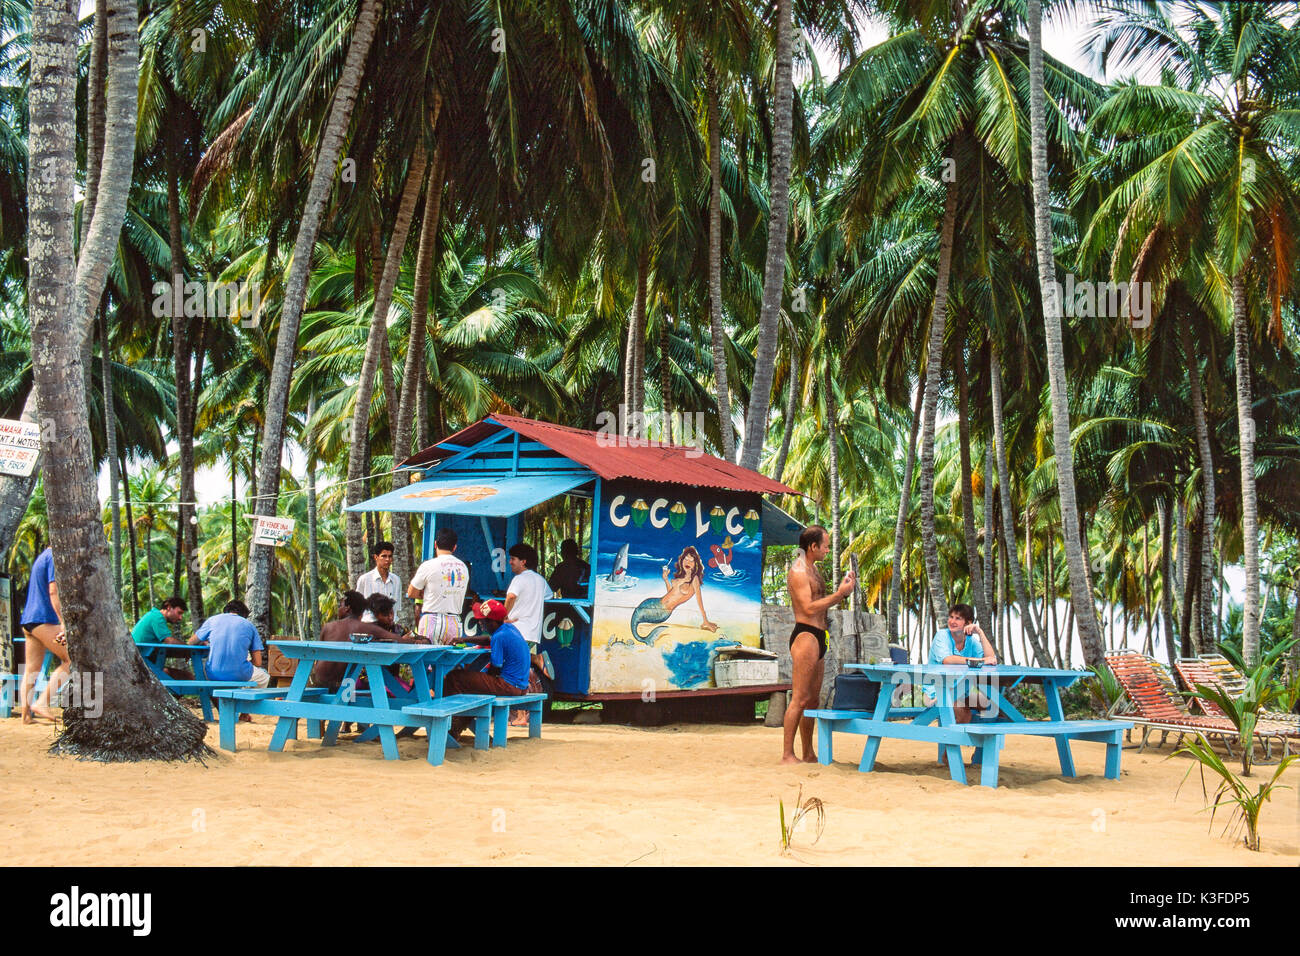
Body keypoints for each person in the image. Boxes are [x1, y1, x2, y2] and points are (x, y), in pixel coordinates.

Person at [782, 526, 855, 765]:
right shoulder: (798, 571)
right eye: (824, 546)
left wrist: (842, 590)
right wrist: (840, 594)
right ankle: (787, 754)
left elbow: (820, 602)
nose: (827, 550)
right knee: (800, 698)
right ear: (812, 547)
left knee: (813, 700)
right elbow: (808, 608)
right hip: (805, 635)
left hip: (820, 635)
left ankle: (808, 752)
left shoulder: (814, 570)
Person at [442, 599, 529, 739]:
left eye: (483, 621)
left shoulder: (499, 637)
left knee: (455, 677)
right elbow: (488, 640)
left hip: (509, 685)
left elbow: (496, 667)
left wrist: (482, 679)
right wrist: (464, 640)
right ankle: (457, 724)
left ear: (492, 622)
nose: (481, 624)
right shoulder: (508, 629)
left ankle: (449, 722)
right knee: (472, 684)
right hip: (521, 685)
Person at [313, 591, 424, 689]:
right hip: (345, 682)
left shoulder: (328, 627)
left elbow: (318, 657)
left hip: (320, 680)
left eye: (340, 605)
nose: (338, 608)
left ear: (347, 608)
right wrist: (415, 641)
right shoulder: (366, 628)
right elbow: (399, 640)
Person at [17, 546, 70, 723]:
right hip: (43, 619)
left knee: (31, 669)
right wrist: (62, 621)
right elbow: (53, 591)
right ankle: (42, 703)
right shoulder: (55, 557)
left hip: (29, 620)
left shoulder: (42, 556)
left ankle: (25, 715)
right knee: (72, 660)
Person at [626, 546, 717, 646]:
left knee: (636, 621)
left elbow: (699, 600)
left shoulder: (694, 579)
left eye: (691, 560)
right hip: (653, 604)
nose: (687, 562)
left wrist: (705, 621)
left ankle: (646, 639)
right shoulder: (681, 577)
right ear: (682, 561)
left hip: (661, 612)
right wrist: (665, 579)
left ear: (695, 565)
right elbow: (671, 593)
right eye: (686, 559)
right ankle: (644, 638)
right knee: (635, 621)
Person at [504, 542, 552, 724]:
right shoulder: (540, 580)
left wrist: (503, 616)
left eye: (513, 559)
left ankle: (521, 715)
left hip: (517, 631)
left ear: (523, 562)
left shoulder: (519, 579)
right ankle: (534, 658)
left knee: (514, 673)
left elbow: (511, 597)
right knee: (523, 672)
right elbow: (550, 596)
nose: (510, 562)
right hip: (532, 631)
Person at [926, 603, 997, 724]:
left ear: (968, 623)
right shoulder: (942, 636)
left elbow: (991, 659)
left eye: (958, 618)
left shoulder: (971, 641)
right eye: (951, 617)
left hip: (962, 693)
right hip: (937, 693)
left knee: (996, 706)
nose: (952, 621)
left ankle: (984, 742)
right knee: (963, 712)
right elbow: (947, 660)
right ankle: (951, 742)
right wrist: (979, 661)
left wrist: (980, 632)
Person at [190, 600, 269, 690]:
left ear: (226, 611)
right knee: (264, 677)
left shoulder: (212, 620)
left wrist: (206, 643)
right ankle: (248, 703)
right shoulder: (249, 625)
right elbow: (258, 662)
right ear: (244, 615)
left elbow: (191, 642)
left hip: (213, 674)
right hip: (240, 674)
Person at [408, 527, 469, 644]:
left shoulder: (428, 565)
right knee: (449, 661)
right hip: (455, 621)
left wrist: (428, 593)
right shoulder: (463, 567)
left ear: (435, 544)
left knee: (426, 660)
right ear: (455, 547)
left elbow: (411, 592)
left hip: (432, 619)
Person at [131, 595, 192, 680]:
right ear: (169, 607)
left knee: (183, 676)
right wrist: (189, 650)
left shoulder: (154, 615)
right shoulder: (157, 617)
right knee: (188, 677)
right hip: (140, 662)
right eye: (179, 613)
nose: (180, 618)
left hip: (143, 659)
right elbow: (170, 641)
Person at [356, 541, 402, 623]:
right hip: (369, 625)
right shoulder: (365, 579)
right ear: (376, 557)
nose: (387, 559)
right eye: (384, 556)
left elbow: (396, 607)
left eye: (390, 556)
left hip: (390, 626)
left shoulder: (396, 580)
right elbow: (357, 607)